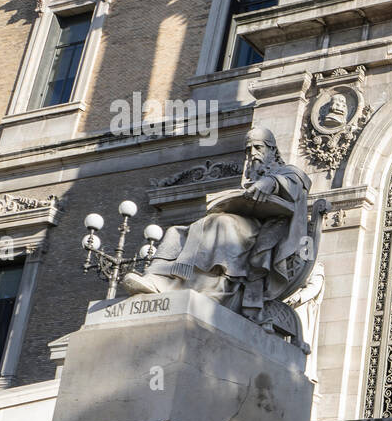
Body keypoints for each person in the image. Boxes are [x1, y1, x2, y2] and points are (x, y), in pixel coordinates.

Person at [122, 127, 312, 323]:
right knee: (177, 231)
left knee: (220, 223)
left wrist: (272, 182)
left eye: (258, 148)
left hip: (266, 229)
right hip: (243, 223)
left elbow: (298, 182)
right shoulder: (251, 175)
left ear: (272, 150)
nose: (252, 154)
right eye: (248, 150)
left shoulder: (286, 171)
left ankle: (211, 285)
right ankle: (158, 277)